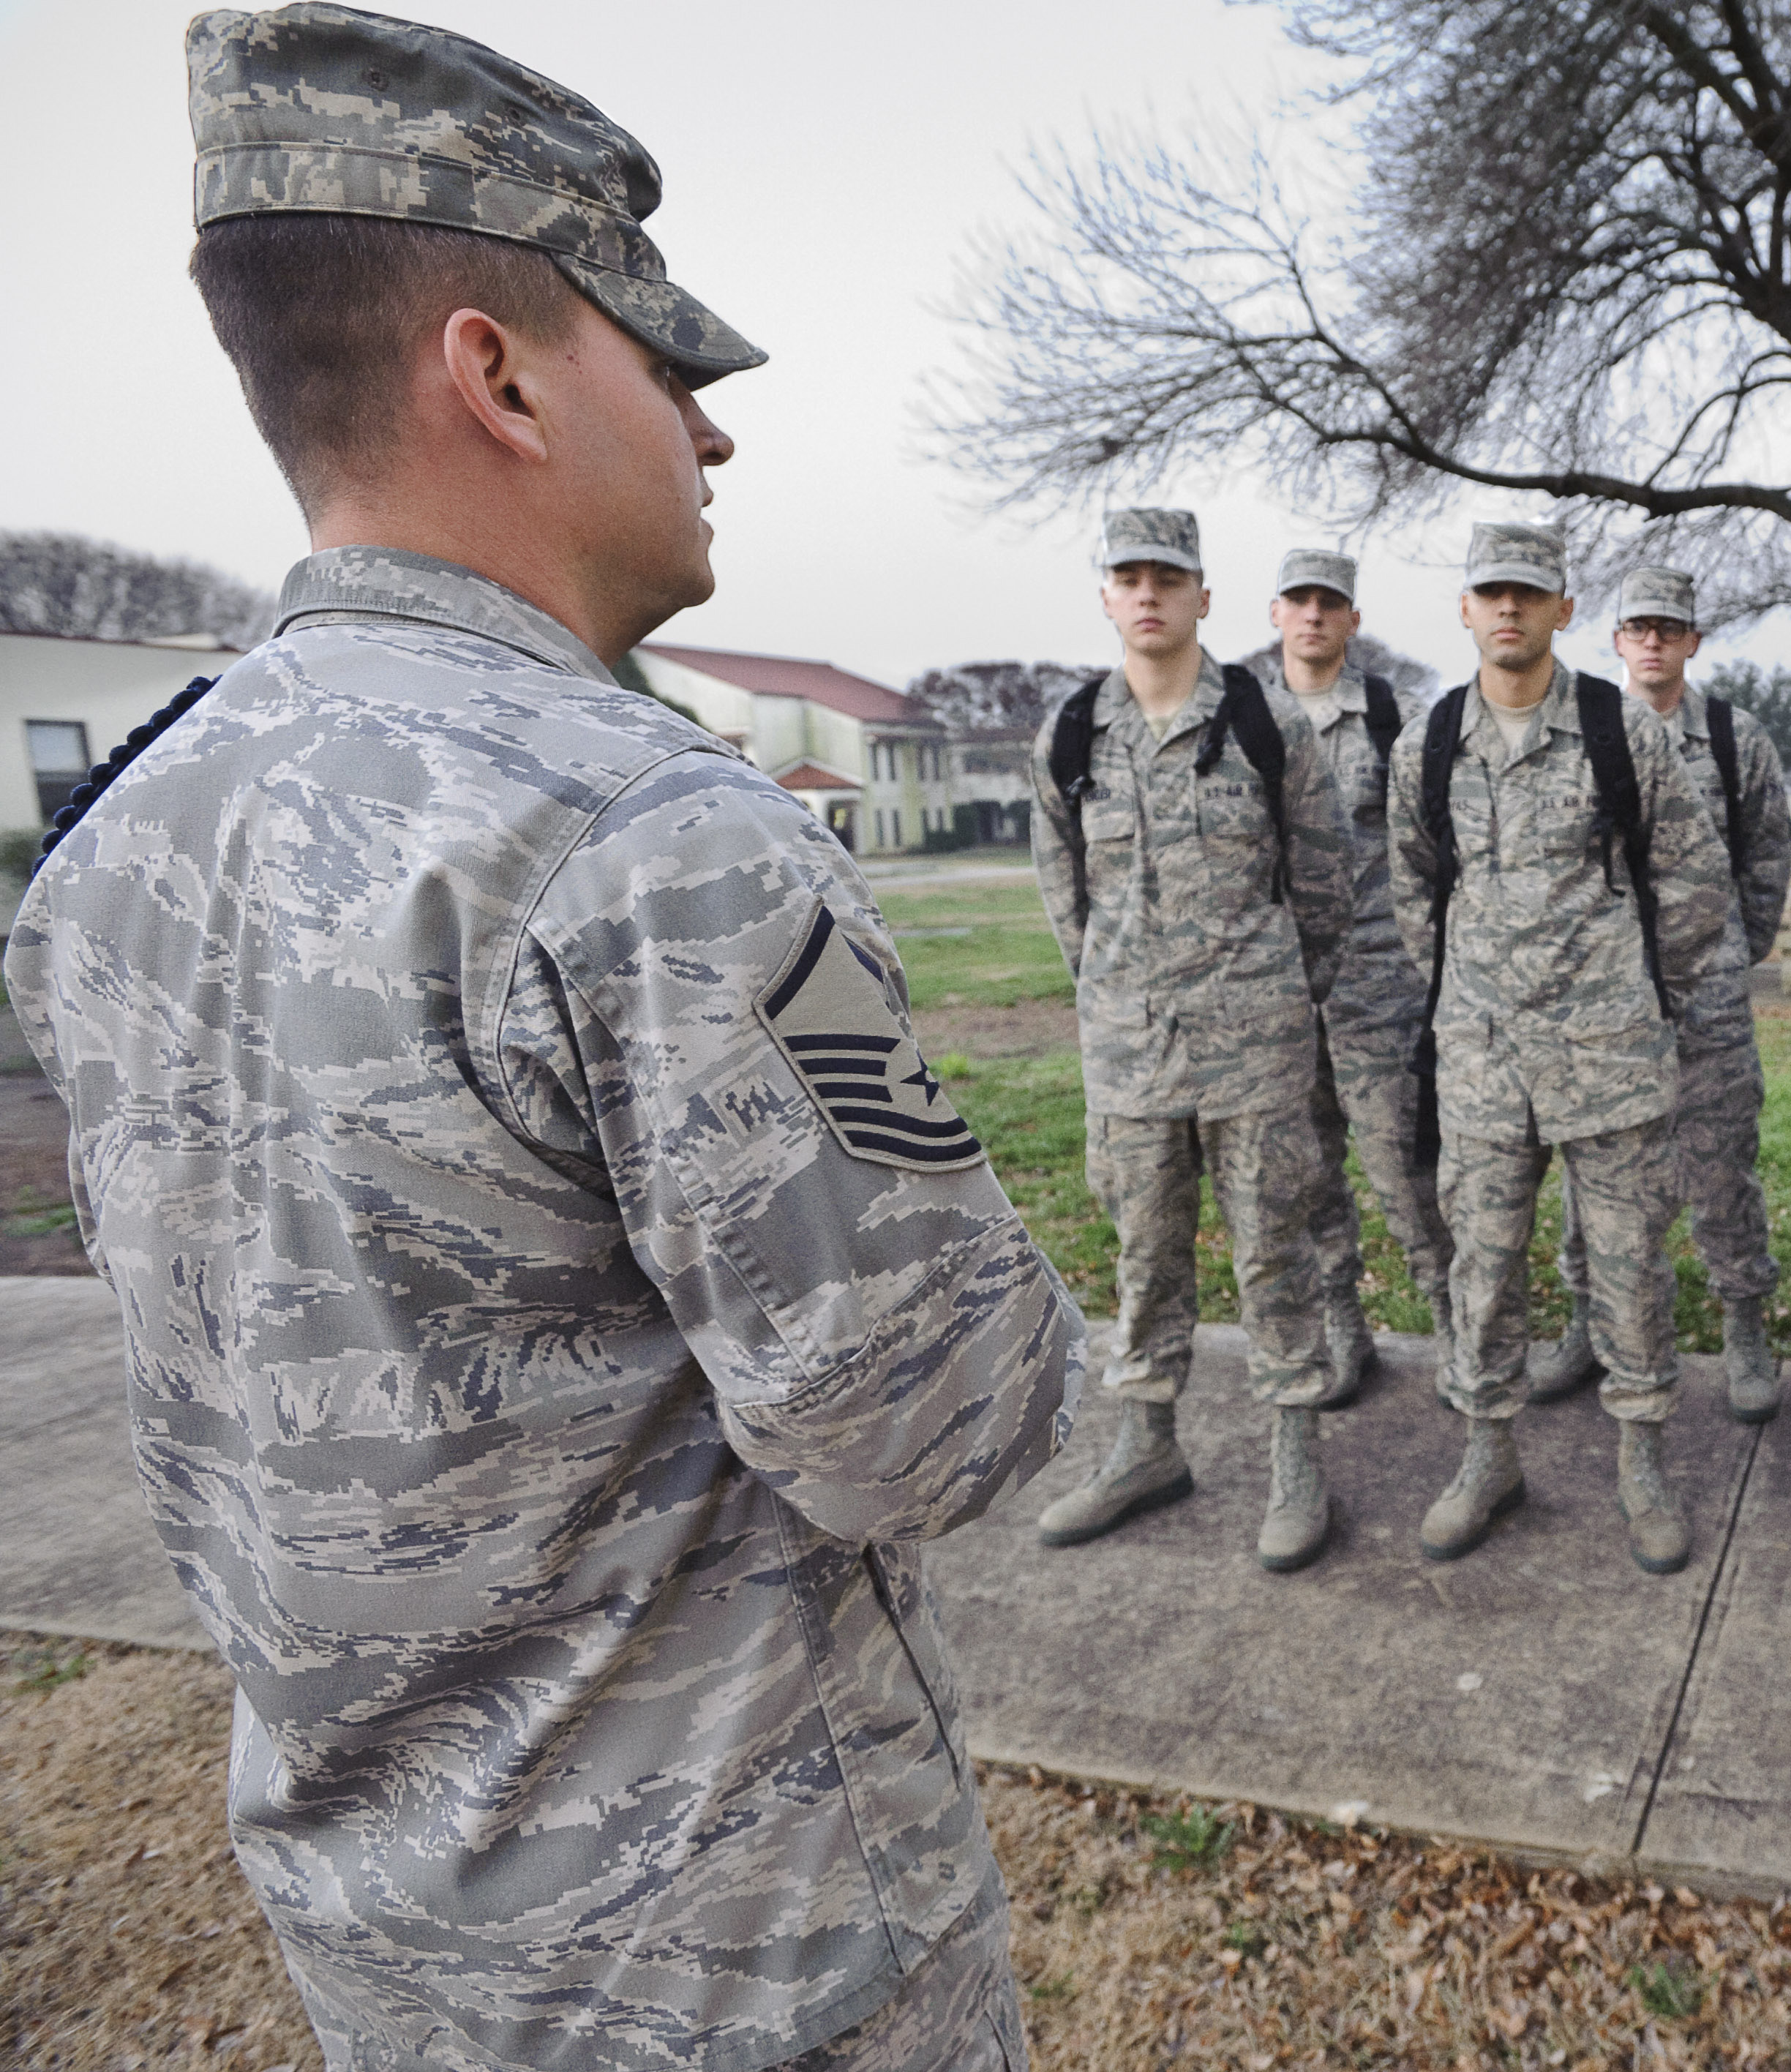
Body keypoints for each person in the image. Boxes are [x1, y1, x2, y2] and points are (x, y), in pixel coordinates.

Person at [3, 10, 1075, 2066]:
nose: (713, 427)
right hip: (747, 1961)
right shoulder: (649, 835)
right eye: (665, 362)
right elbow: (930, 1420)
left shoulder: (118, 846)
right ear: (493, 372)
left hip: (392, 1961)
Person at [1386, 522, 1731, 1573]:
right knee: (1482, 1272)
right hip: (1484, 1060)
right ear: (1465, 607)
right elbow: (1413, 891)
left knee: (1628, 1272)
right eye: (1490, 591)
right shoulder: (1430, 739)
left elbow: (1693, 885)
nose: (1508, 610)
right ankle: (1489, 1454)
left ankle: (1641, 1462)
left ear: (1563, 609)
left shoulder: (1625, 733)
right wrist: (1470, 999)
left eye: (1529, 594)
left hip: (1611, 1057)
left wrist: (1637, 997)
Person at [1030, 510, 1353, 1572]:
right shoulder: (1071, 734)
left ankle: (1296, 1455)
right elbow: (1067, 902)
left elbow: (1324, 886)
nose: (1150, 593)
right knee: (1145, 1258)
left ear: (1206, 596)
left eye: (1170, 576)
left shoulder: (1269, 726)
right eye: (1130, 576)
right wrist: (1122, 994)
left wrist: (1270, 997)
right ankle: (1147, 1443)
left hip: (1255, 1048)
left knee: (1276, 1253)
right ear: (1108, 597)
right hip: (1130, 1052)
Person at [1529, 568, 1791, 1422]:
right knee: (1592, 1174)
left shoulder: (1731, 736)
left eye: (1667, 628)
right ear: (1613, 638)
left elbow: (1765, 855)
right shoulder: (1574, 731)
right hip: (1601, 999)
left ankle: (1744, 1327)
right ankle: (1585, 1320)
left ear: (1691, 641)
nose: (1650, 641)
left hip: (1707, 1000)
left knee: (1720, 1168)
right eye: (1636, 626)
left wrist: (1730, 952)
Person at [1255, 548, 1456, 1388]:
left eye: (1327, 602)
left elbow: (1436, 849)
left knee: (1404, 1173)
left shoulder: (1394, 717)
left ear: (1352, 618)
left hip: (1382, 989)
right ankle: (1345, 1329)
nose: (1312, 615)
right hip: (1280, 990)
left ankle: (1456, 1330)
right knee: (1305, 1176)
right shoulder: (1241, 722)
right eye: (1297, 600)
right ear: (1274, 613)